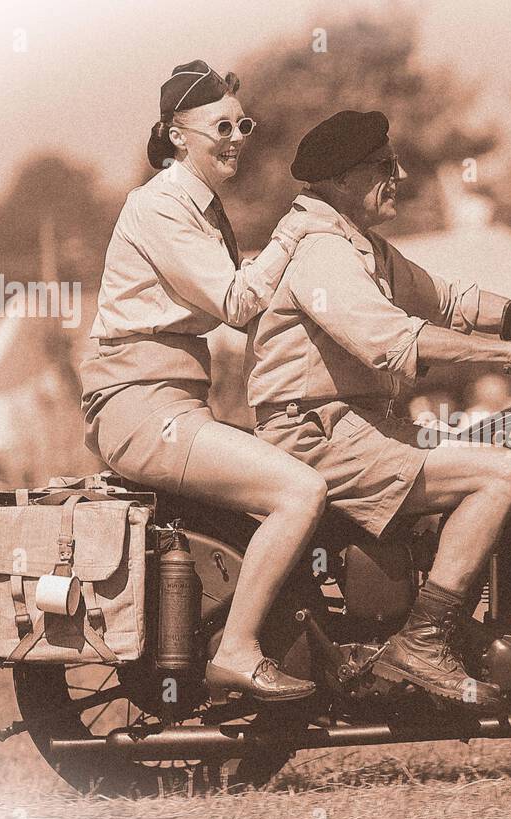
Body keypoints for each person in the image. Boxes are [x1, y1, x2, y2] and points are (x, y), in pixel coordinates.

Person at [246, 110, 511, 710]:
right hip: (317, 432)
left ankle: (437, 624)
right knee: (501, 473)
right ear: (342, 179)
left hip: (357, 426)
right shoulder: (321, 252)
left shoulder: (363, 248)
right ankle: (421, 643)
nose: (403, 174)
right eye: (386, 166)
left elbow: (451, 300)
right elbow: (395, 342)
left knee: (500, 450)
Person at [80, 60, 343, 701]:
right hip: (143, 408)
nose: (236, 137)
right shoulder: (163, 205)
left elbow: (256, 304)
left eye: (242, 124)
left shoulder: (200, 205)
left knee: (302, 483)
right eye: (219, 126)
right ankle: (237, 650)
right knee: (300, 492)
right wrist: (298, 224)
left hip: (171, 401)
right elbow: (236, 301)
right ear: (177, 135)